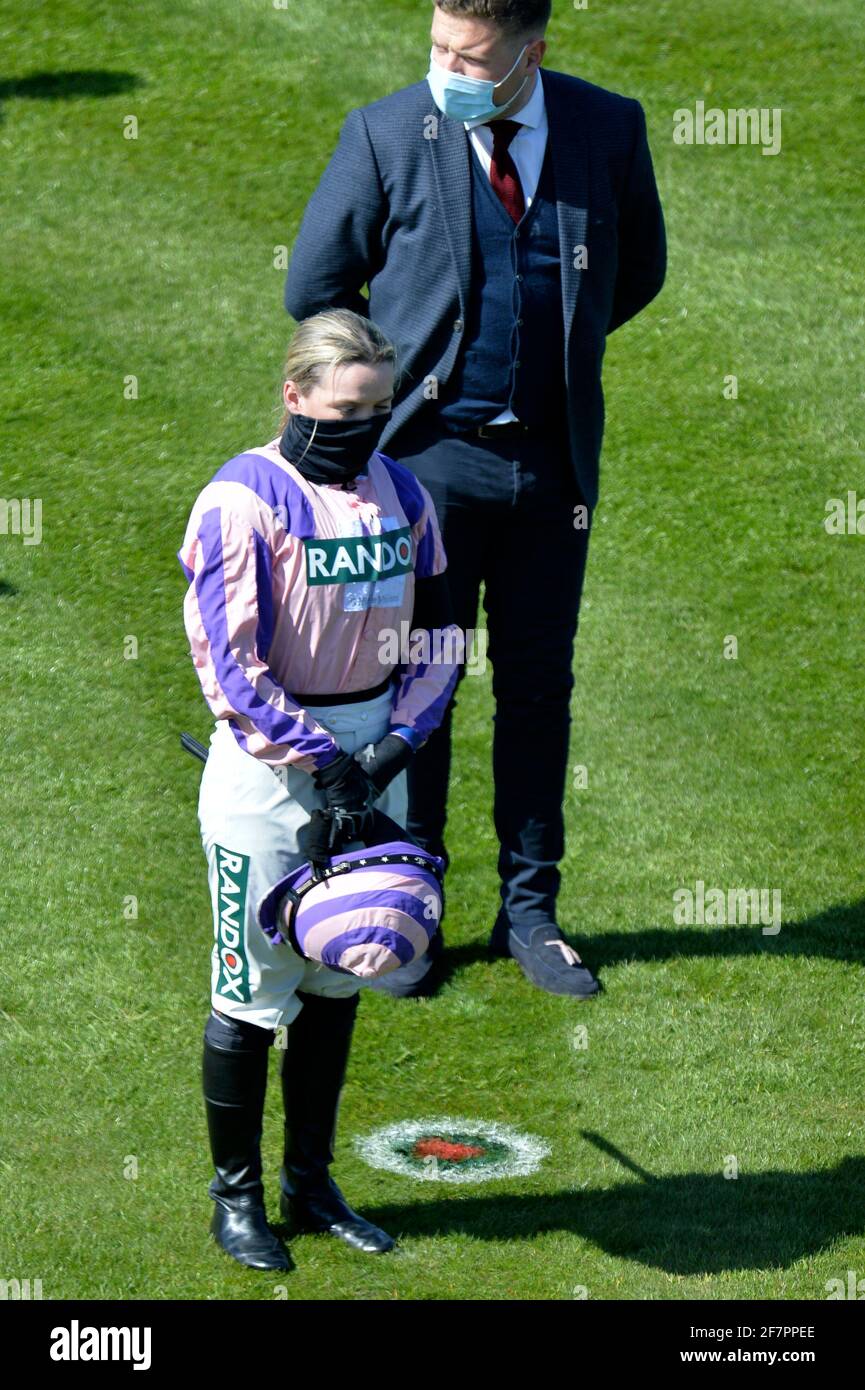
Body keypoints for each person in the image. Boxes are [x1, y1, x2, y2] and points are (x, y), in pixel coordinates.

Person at [283, 0, 667, 999]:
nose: (444, 66)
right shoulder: (384, 132)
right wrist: (387, 380)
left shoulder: (605, 127)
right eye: (438, 45)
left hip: (550, 469)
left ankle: (530, 914)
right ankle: (414, 905)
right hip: (427, 466)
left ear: (529, 54)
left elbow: (638, 271)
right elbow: (317, 284)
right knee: (424, 684)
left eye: (469, 54)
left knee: (540, 688)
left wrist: (555, 352)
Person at [176, 308, 460, 1270]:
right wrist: (325, 761)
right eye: (346, 406)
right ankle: (238, 1200)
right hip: (267, 768)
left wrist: (393, 745)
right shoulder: (239, 499)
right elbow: (229, 659)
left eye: (379, 406)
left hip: (374, 749)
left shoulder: (403, 492)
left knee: (343, 972)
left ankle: (312, 1180)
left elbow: (442, 633)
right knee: (252, 992)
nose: (363, 424)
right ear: (294, 395)